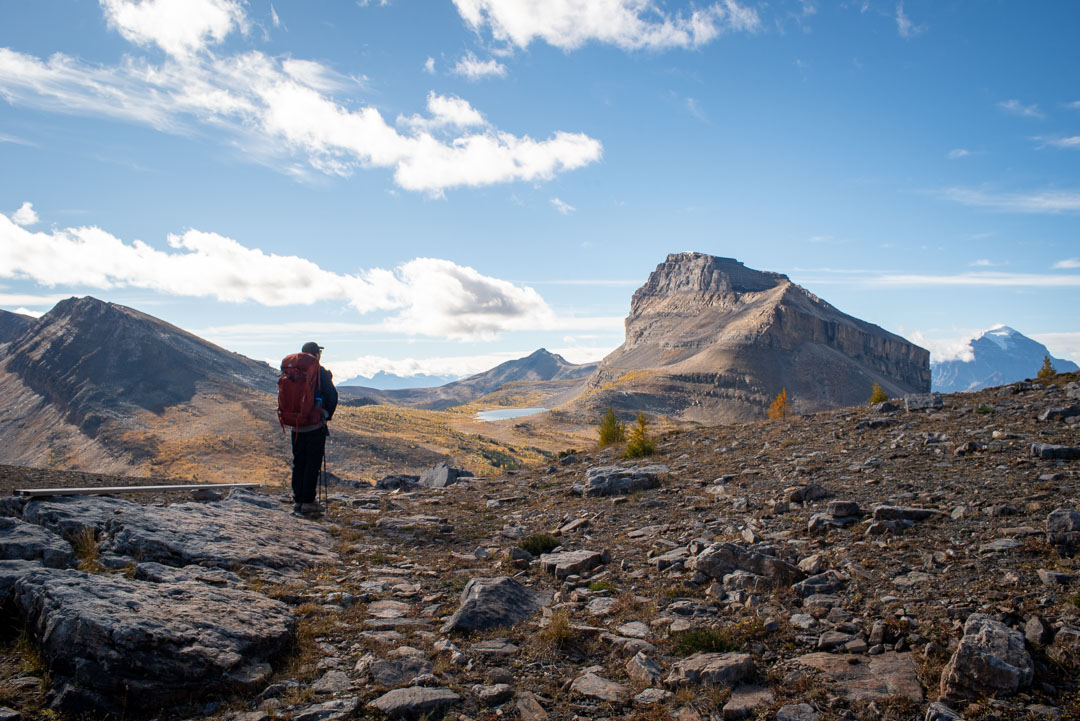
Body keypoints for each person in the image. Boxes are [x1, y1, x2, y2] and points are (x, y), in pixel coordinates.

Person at [291, 341, 338, 516]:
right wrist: (325, 414)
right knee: (312, 464)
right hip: (314, 426)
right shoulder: (319, 371)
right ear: (316, 354)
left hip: (296, 426)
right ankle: (308, 502)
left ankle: (298, 501)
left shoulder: (293, 371)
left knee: (299, 463)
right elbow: (332, 396)